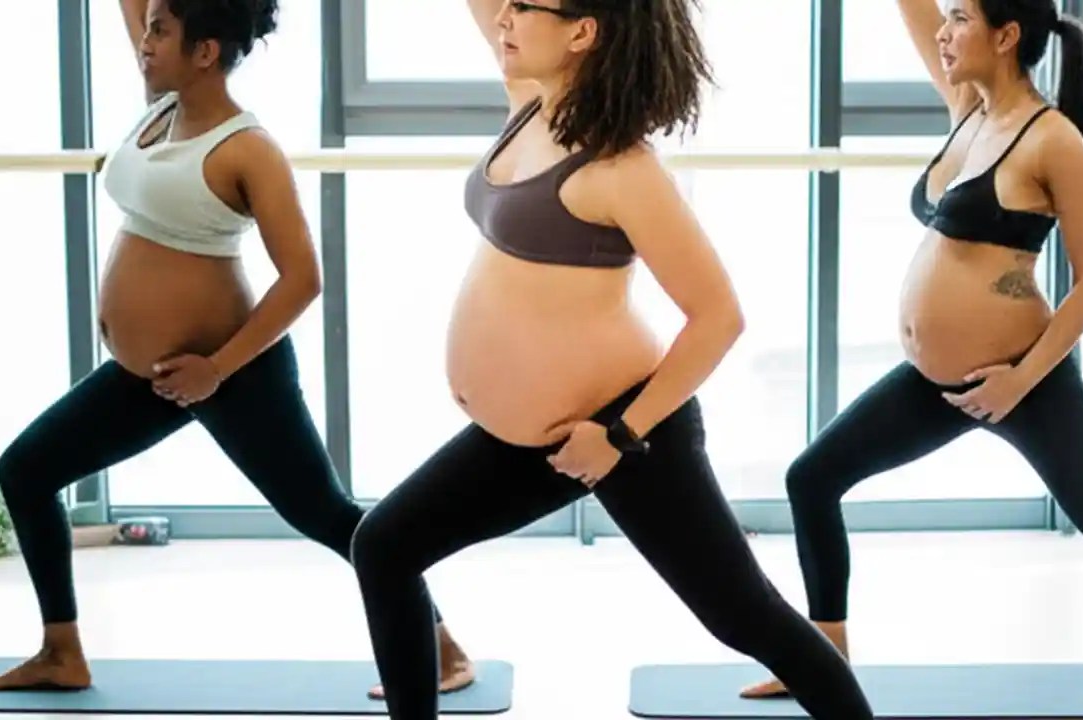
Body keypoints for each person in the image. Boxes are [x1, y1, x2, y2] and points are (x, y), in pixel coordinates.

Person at [346, 1, 876, 718]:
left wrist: (620, 436)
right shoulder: (530, 106)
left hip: (629, 430)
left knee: (743, 615)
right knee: (384, 546)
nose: (505, 15)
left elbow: (719, 317)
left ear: (582, 31)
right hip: (531, 438)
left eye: (525, 6)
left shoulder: (622, 166)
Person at [0, 0, 475, 698]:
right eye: (147, 30)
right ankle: (62, 652)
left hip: (235, 372)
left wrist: (217, 369)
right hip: (146, 374)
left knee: (325, 514)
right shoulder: (160, 109)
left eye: (159, 31)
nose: (144, 43)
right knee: (25, 471)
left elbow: (304, 278)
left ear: (205, 51)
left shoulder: (248, 149)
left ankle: (441, 649)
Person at [739, 0, 1083, 711]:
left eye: (962, 18)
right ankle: (824, 659)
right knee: (812, 478)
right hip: (933, 379)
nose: (944, 33)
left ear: (1006, 36)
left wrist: (1020, 380)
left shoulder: (1051, 138)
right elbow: (915, 10)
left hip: (1027, 380)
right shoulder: (966, 112)